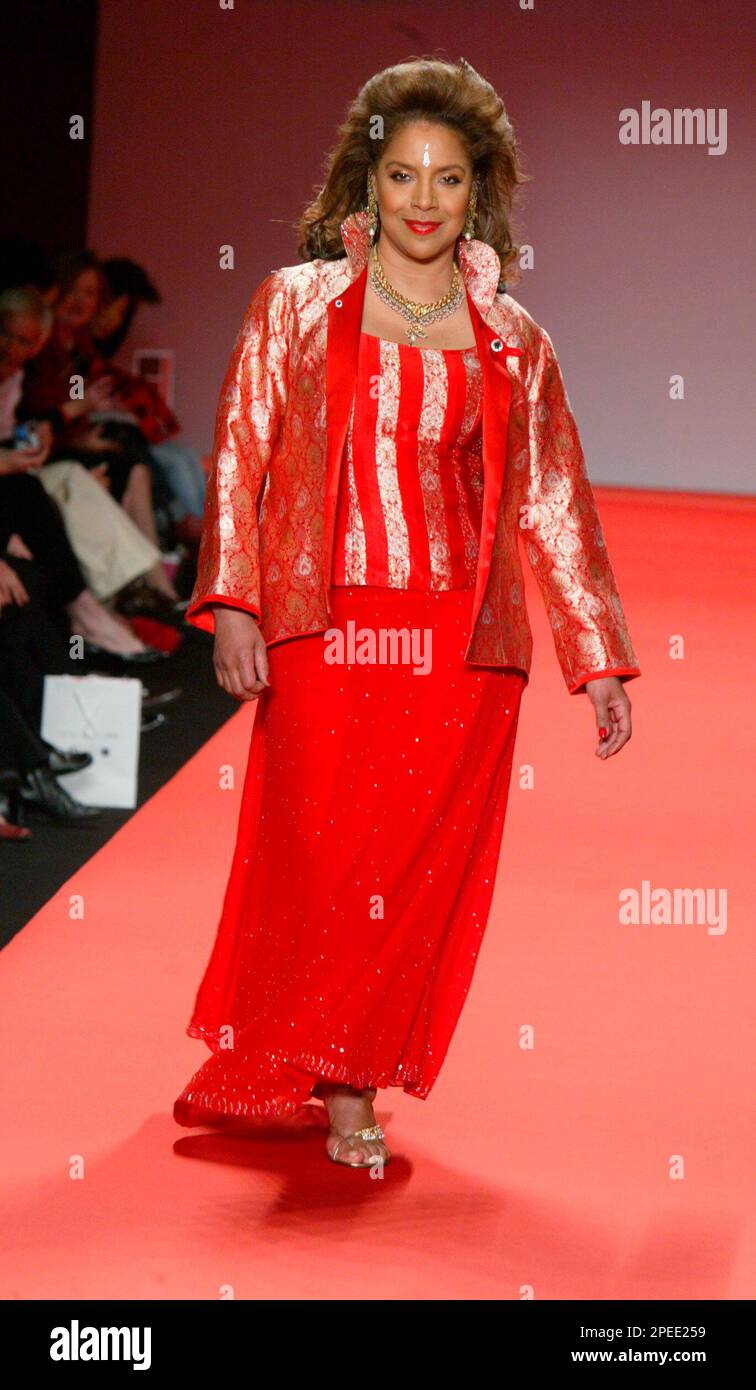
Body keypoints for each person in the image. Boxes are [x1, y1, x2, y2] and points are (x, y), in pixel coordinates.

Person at [173, 57, 641, 1169]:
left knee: (408, 876)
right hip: (323, 632)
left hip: (458, 650)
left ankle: (351, 1089)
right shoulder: (295, 303)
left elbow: (548, 499)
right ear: (364, 185)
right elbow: (241, 455)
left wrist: (599, 660)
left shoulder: (514, 339)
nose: (422, 202)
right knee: (322, 858)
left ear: (479, 194)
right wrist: (233, 603)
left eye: (447, 180)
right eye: (400, 176)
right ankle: (307, 1052)